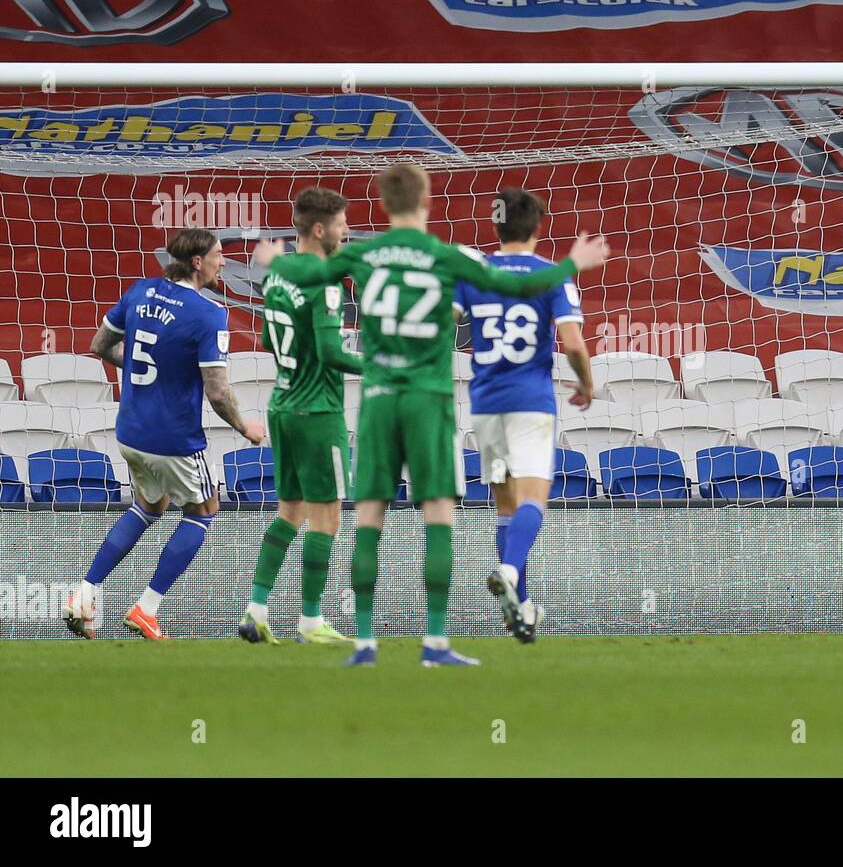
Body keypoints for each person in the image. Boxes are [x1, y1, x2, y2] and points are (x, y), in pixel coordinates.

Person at [252, 164, 608, 667]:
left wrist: (274, 261)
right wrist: (571, 263)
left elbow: (306, 273)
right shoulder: (449, 256)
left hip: (380, 398)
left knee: (369, 517)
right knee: (439, 514)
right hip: (431, 399)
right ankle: (436, 641)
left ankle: (366, 644)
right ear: (425, 202)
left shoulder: (363, 254)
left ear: (382, 204)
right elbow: (517, 286)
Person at [64, 229, 265, 640]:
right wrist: (245, 427)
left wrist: (149, 372)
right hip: (173, 438)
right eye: (219, 255)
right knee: (204, 510)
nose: (224, 262)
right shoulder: (209, 314)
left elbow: (100, 344)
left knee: (150, 505)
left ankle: (83, 595)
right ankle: (147, 609)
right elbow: (217, 392)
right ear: (198, 262)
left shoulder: (140, 291)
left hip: (130, 431)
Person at [453, 188, 594, 643]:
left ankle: (520, 609)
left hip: (486, 407)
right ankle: (511, 572)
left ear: (496, 226)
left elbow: (442, 326)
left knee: (505, 507)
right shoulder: (551, 275)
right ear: (537, 227)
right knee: (534, 500)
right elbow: (573, 344)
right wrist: (586, 384)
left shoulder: (475, 274)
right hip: (531, 404)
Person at [239, 187, 361, 645]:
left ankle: (256, 610)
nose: (346, 232)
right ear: (319, 229)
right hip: (318, 411)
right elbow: (331, 352)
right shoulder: (325, 284)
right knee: (327, 517)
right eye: (341, 225)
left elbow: (269, 341)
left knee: (289, 511)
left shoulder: (278, 278)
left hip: (283, 405)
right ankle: (311, 621)